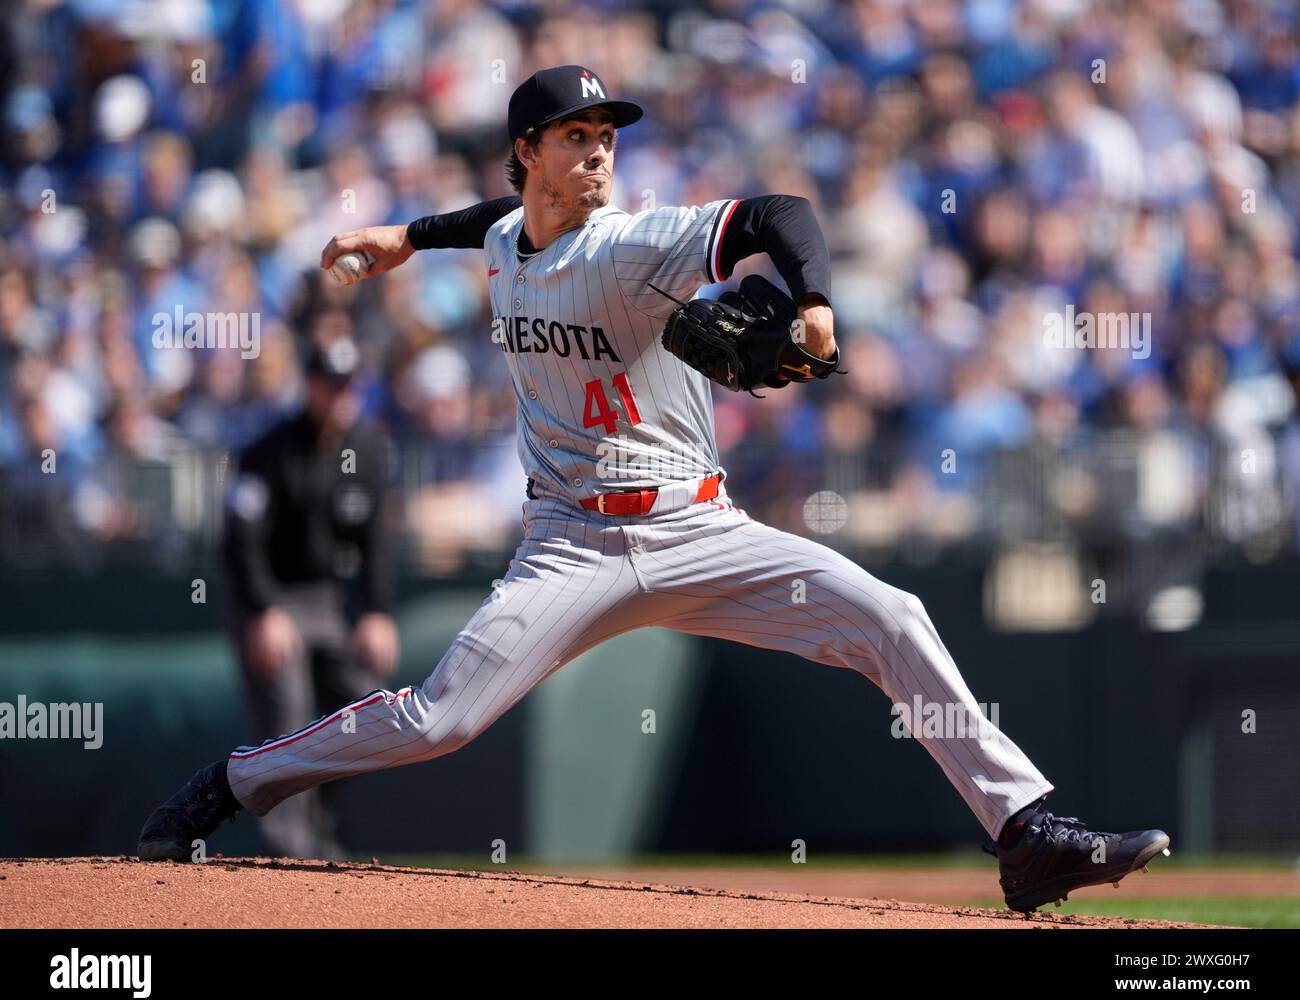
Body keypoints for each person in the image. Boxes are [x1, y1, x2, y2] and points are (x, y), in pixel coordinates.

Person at [139, 66, 1167, 912]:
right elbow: (496, 225)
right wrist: (404, 237)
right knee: (437, 721)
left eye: (605, 136)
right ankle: (234, 780)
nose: (595, 152)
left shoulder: (635, 243)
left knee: (891, 616)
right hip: (568, 547)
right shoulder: (510, 243)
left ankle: (1024, 833)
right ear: (527, 155)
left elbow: (778, 209)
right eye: (571, 135)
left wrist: (809, 295)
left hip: (698, 528)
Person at [219, 336, 398, 858]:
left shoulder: (365, 451)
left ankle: (314, 825)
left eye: (349, 387)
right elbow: (238, 543)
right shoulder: (265, 452)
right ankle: (287, 849)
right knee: (288, 714)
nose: (340, 396)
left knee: (365, 707)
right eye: (330, 385)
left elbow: (375, 544)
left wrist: (379, 613)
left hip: (325, 602)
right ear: (310, 386)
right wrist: (261, 611)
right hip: (271, 602)